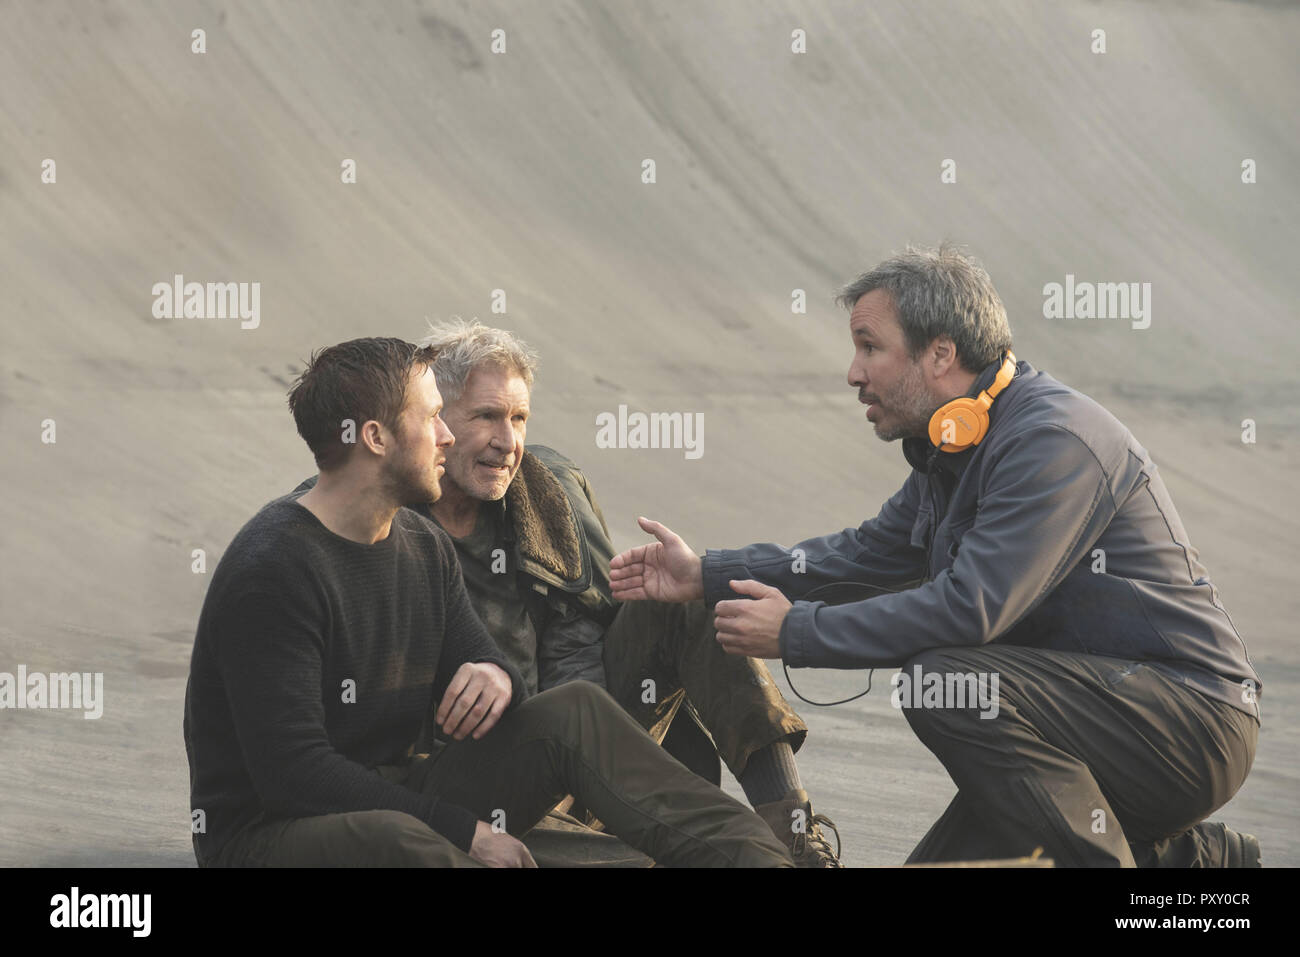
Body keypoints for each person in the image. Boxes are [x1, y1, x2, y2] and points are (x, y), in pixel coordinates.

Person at [609, 243, 1263, 867]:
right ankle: (1183, 859)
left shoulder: (1051, 442)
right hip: (1084, 723)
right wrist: (708, 574)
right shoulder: (951, 446)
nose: (853, 371)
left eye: (871, 347)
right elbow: (862, 555)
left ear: (940, 354)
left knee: (942, 679)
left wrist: (797, 630)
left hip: (1189, 720)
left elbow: (968, 608)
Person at [183, 337, 792, 868]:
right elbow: (293, 775)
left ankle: (766, 861)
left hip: (402, 795)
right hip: (272, 837)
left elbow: (503, 686)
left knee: (572, 712)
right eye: (432, 418)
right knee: (407, 841)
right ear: (375, 437)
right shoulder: (275, 568)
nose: (446, 435)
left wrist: (495, 675)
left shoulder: (421, 543)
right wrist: (463, 831)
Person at [394, 319, 843, 867]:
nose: (507, 442)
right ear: (436, 420)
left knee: (688, 596)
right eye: (486, 416)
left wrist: (591, 766)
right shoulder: (383, 516)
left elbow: (581, 635)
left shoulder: (546, 494)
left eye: (518, 418)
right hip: (472, 782)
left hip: (582, 737)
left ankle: (792, 834)